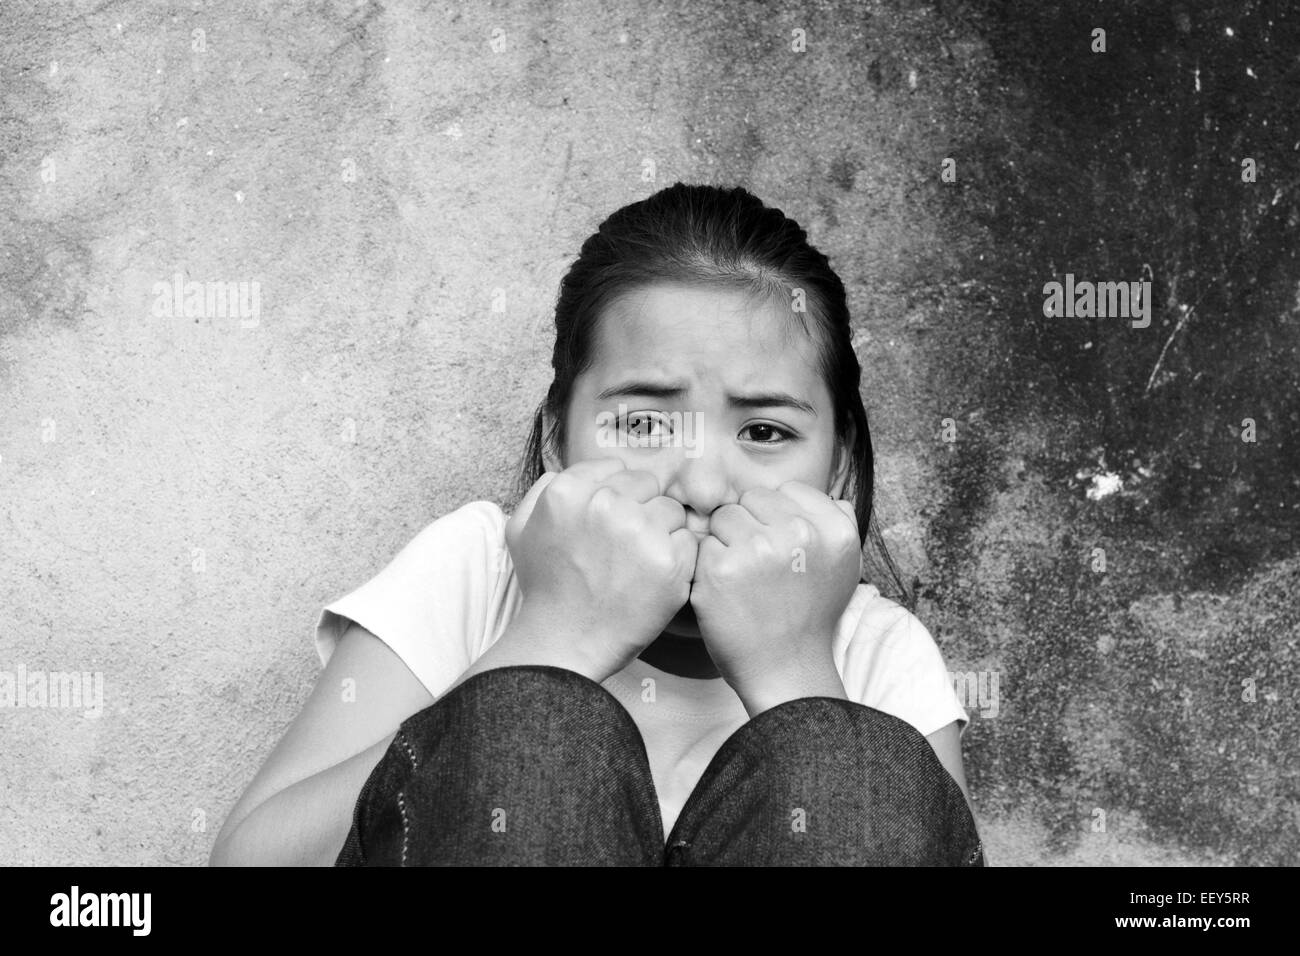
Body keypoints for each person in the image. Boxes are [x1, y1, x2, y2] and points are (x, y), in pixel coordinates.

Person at [210, 182, 983, 866]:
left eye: (765, 434)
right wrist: (548, 642)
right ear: (556, 441)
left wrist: (795, 678)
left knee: (848, 768)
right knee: (538, 727)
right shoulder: (478, 574)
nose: (704, 483)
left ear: (838, 466)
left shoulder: (872, 653)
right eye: (644, 424)